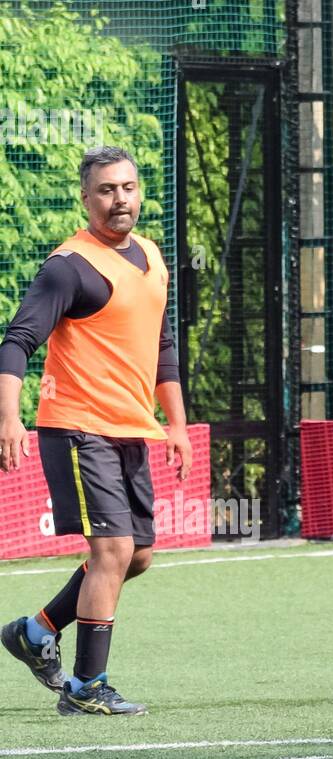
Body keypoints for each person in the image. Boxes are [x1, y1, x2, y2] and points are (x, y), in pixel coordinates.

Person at [0, 145, 191, 715]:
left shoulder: (151, 256)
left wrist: (177, 424)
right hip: (78, 428)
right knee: (112, 550)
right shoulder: (69, 266)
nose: (119, 199)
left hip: (130, 430)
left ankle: (35, 632)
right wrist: (9, 417)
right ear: (86, 199)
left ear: (139, 192)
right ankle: (86, 687)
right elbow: (17, 341)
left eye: (127, 187)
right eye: (106, 190)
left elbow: (161, 345)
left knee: (138, 556)